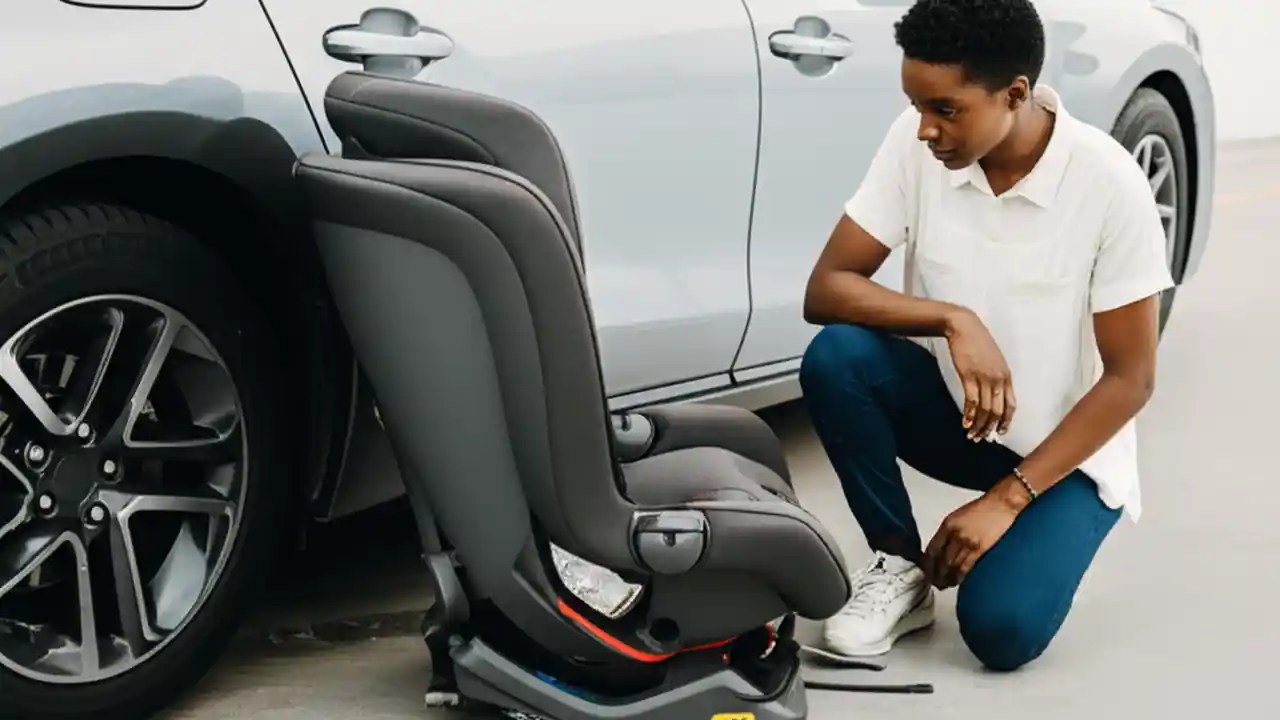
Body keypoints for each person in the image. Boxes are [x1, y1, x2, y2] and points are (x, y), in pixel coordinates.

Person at [799, 0, 1173, 671]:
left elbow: (1132, 379)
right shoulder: (917, 149)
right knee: (839, 357)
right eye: (916, 106)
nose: (924, 130)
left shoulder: (1109, 184)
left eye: (944, 110)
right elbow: (827, 288)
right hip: (966, 421)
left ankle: (1034, 529)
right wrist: (954, 318)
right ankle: (898, 567)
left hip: (1069, 457)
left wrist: (1007, 499)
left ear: (1016, 94)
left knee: (1000, 632)